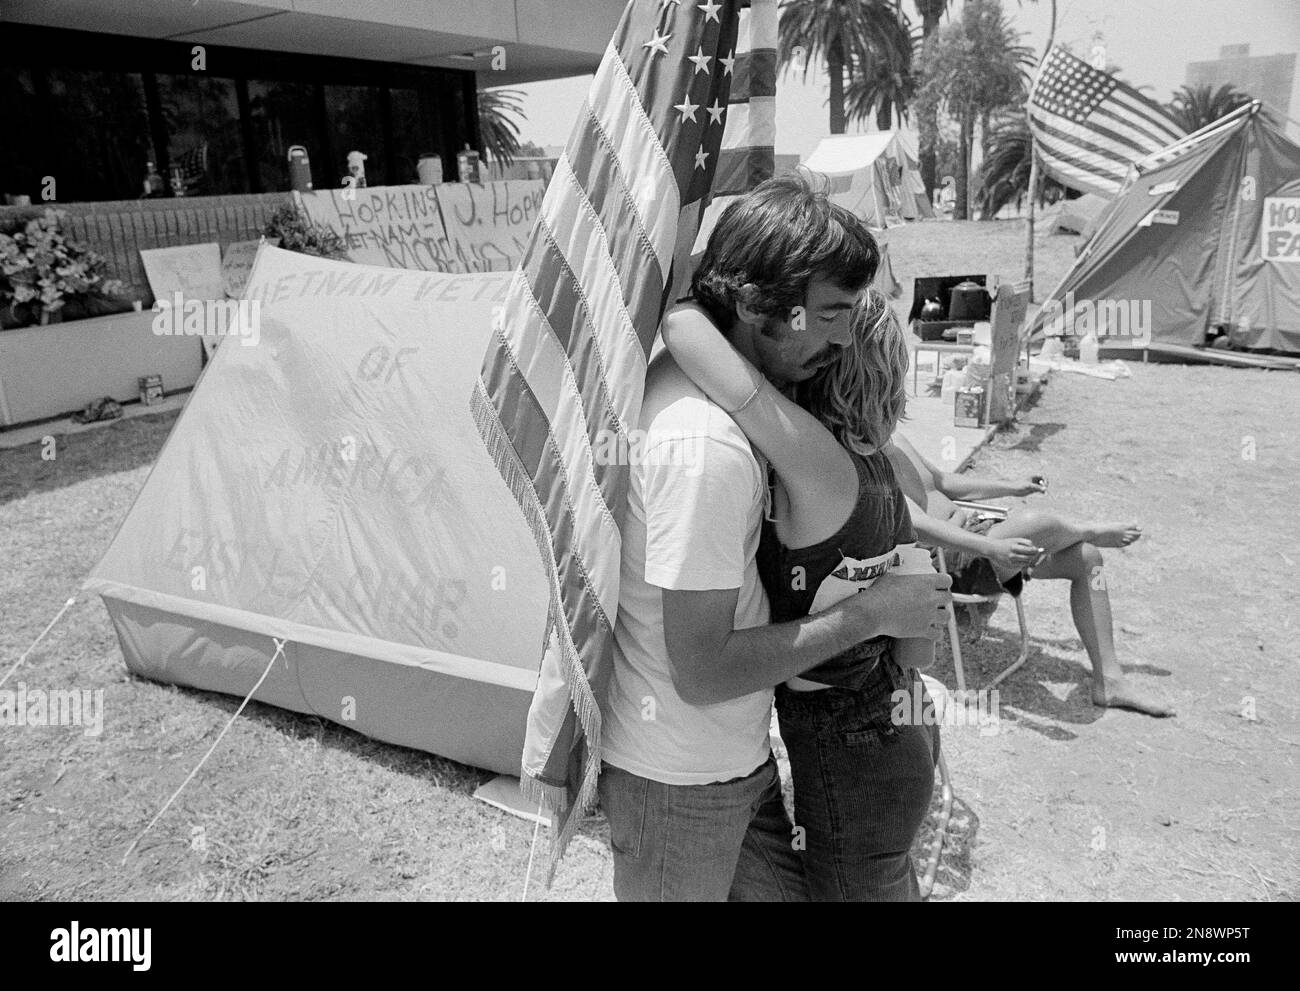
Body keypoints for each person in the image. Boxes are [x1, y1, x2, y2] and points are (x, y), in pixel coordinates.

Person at [598, 174, 952, 902]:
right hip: (681, 779)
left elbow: (694, 326)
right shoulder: (709, 451)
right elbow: (701, 669)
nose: (845, 337)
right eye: (829, 313)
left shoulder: (729, 398)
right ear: (761, 305)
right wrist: (868, 613)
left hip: (733, 762)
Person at [662, 287, 947, 901]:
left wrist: (708, 294)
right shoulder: (878, 466)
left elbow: (688, 335)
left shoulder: (816, 461)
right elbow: (917, 649)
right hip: (899, 726)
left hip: (852, 751)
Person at [885, 433, 1175, 717]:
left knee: (1088, 559)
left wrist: (1011, 487)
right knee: (1036, 523)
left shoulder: (895, 433)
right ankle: (1091, 530)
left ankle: (1109, 681)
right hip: (947, 558)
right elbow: (918, 525)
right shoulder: (871, 450)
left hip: (977, 534)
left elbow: (942, 482)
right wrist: (991, 546)